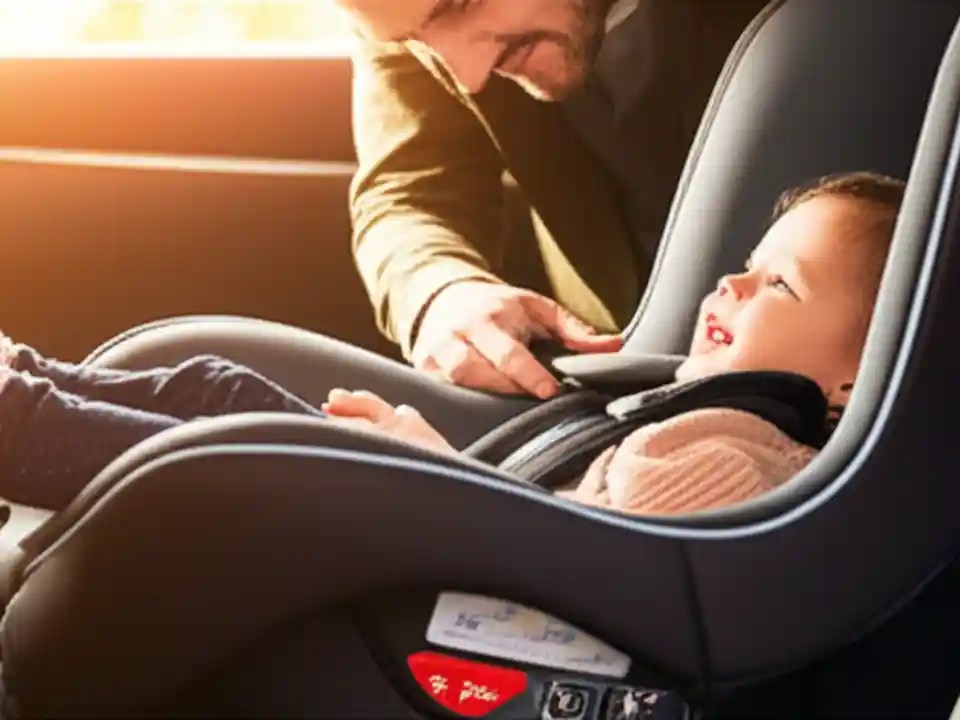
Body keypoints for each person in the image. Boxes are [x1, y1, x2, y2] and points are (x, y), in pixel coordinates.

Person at [0, 172, 903, 515]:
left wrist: (441, 476)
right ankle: (27, 377)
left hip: (454, 562)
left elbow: (612, 554)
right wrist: (438, 465)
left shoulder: (748, 456)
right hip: (459, 514)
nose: (733, 283)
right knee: (222, 389)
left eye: (777, 283)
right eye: (746, 264)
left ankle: (20, 416)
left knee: (226, 462)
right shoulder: (703, 411)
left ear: (858, 376)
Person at [334, 0, 766, 398]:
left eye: (462, 2)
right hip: (617, 379)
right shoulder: (405, 15)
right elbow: (408, 188)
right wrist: (442, 290)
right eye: (413, 41)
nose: (468, 76)